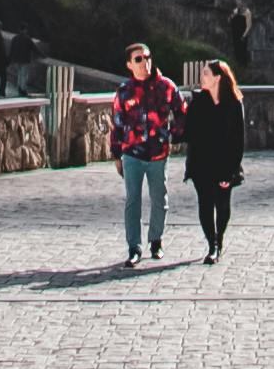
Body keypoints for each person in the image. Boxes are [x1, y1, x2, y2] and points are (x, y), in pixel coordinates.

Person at [106, 43, 181, 264]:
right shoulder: (124, 91)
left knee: (160, 198)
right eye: (138, 59)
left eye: (147, 57)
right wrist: (116, 154)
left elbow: (182, 111)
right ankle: (134, 247)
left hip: (158, 154)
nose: (145, 62)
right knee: (133, 200)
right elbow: (117, 125)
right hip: (132, 154)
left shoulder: (166, 86)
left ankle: (156, 240)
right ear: (130, 64)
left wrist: (174, 134)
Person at [181, 61, 248, 263]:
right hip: (202, 163)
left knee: (222, 204)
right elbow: (189, 133)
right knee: (205, 205)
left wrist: (230, 170)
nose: (203, 77)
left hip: (224, 163)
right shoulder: (198, 102)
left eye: (206, 74)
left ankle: (220, 238)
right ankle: (212, 245)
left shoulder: (234, 104)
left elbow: (238, 140)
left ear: (218, 77)